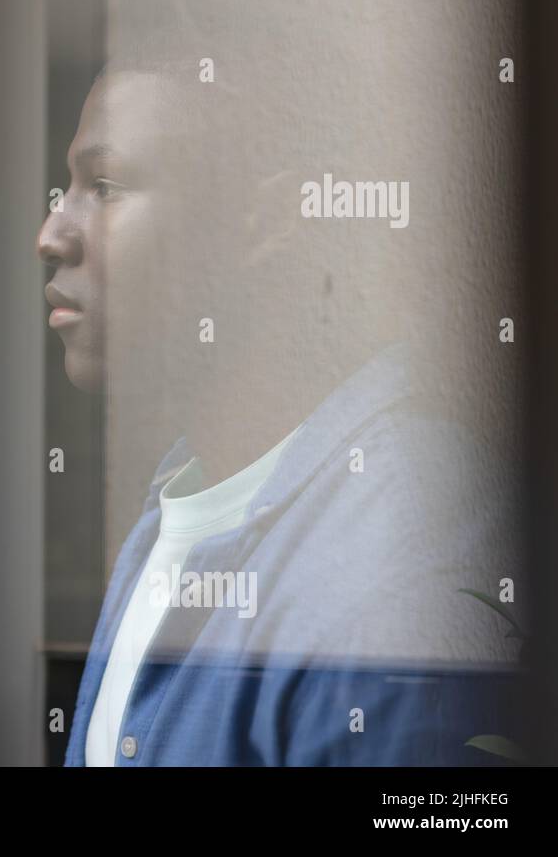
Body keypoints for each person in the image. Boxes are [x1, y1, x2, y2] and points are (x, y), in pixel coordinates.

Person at [39, 44, 523, 766]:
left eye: (104, 186)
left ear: (263, 222)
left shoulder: (396, 556)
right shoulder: (183, 500)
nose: (50, 234)